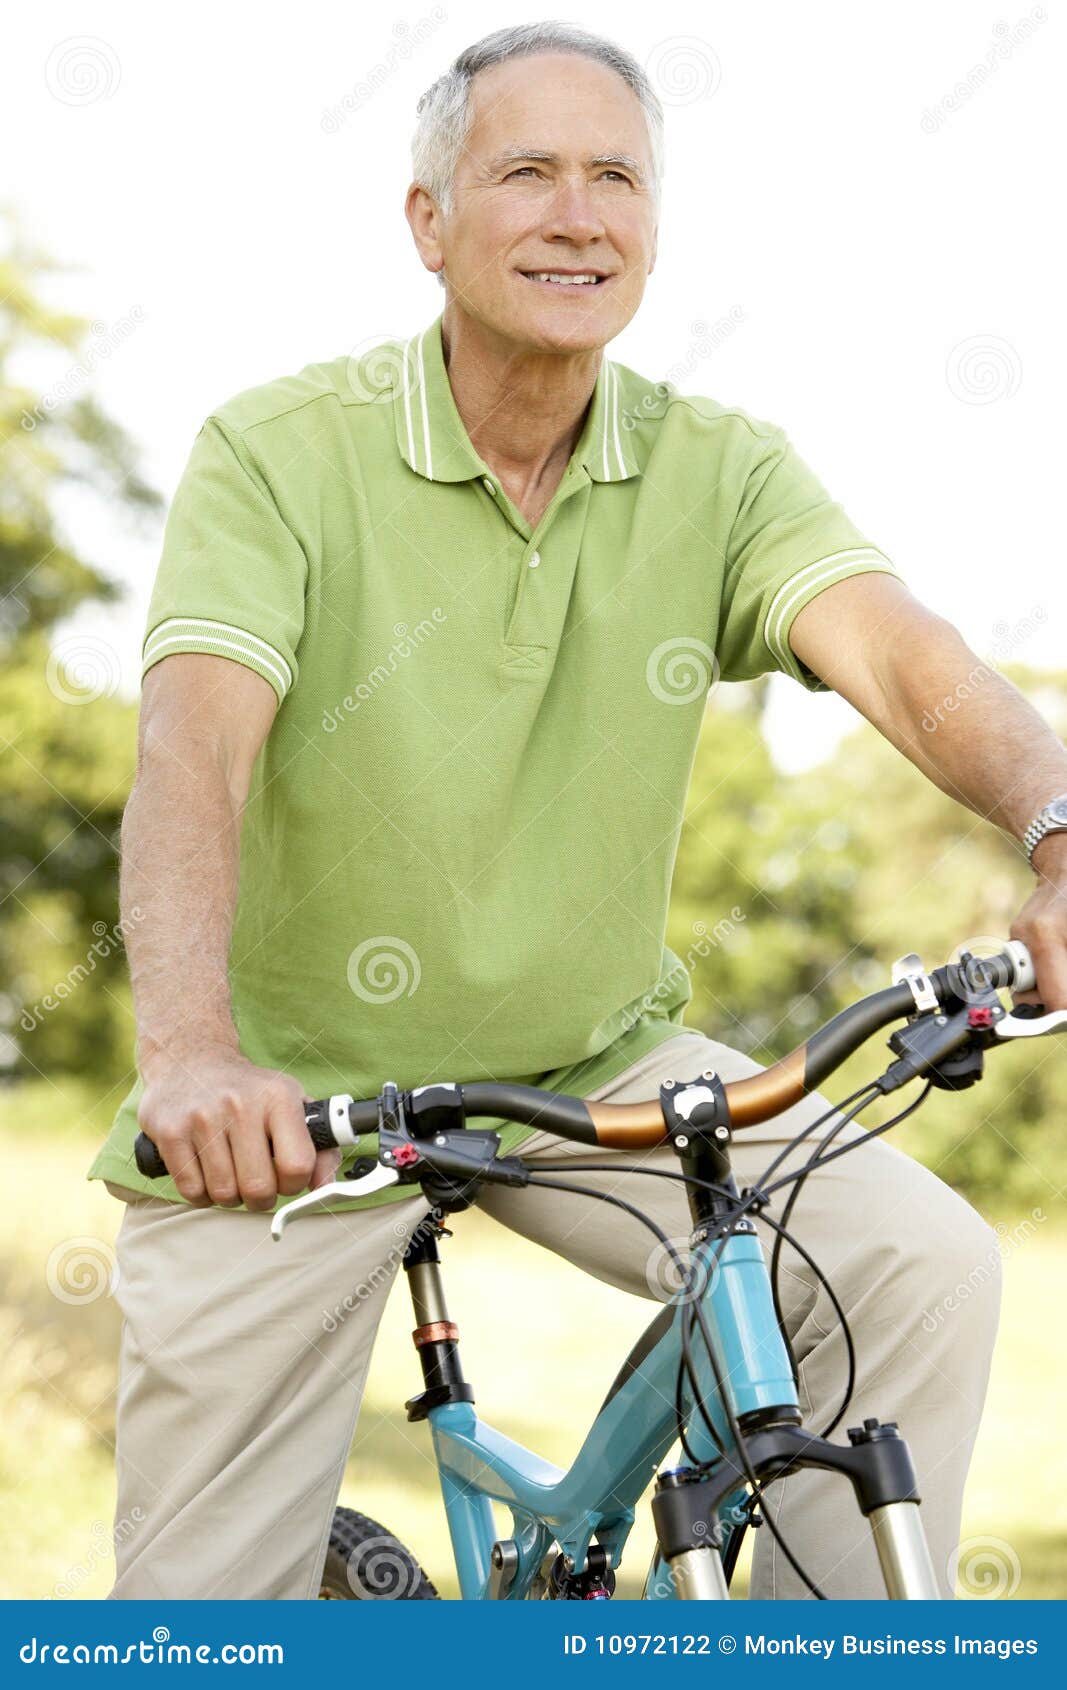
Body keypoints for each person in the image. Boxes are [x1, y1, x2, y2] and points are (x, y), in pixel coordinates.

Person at [90, 22, 1067, 1599]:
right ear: (428, 221)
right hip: (296, 1104)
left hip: (593, 1060)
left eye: (616, 177)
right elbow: (192, 753)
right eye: (527, 172)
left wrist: (1058, 825)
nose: (578, 215)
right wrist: (195, 1052)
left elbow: (902, 656)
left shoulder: (719, 470)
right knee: (194, 1627)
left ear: (655, 226)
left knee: (918, 1258)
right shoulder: (277, 454)